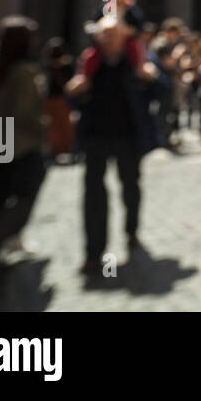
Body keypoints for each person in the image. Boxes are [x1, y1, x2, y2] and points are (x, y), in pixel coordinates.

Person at [67, 15, 154, 279]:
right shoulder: (90, 61)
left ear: (123, 36)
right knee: (94, 194)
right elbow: (73, 97)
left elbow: (159, 91)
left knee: (130, 186)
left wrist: (149, 77)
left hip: (128, 135)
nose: (106, 38)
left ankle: (131, 229)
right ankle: (94, 253)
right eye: (103, 34)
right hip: (96, 136)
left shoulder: (135, 59)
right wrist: (74, 91)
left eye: (112, 33)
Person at [0, 16, 48, 277]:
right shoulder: (23, 70)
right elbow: (27, 113)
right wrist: (45, 133)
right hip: (20, 144)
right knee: (25, 194)